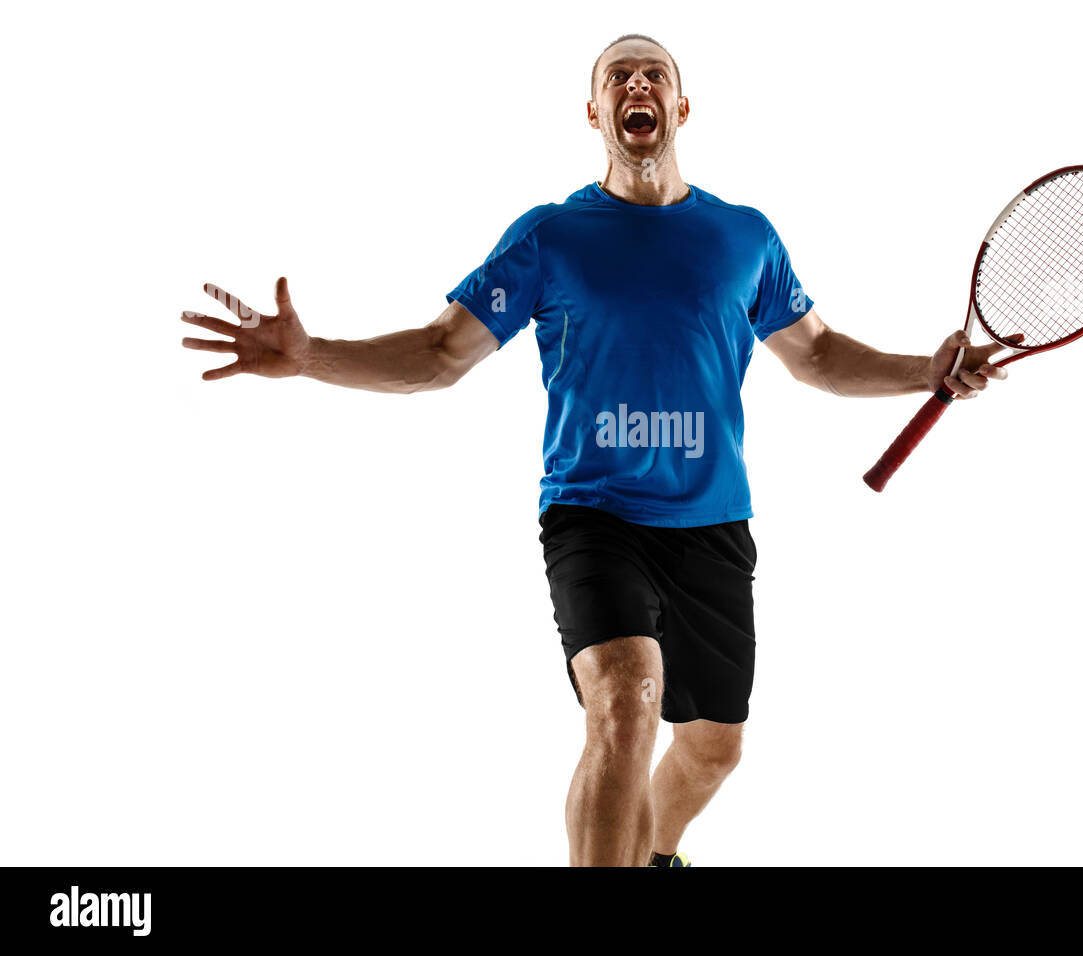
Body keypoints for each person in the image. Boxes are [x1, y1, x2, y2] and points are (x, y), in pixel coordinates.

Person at [180, 33, 1011, 867]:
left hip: (712, 522)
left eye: (655, 75)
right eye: (619, 76)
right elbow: (440, 353)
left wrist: (923, 370)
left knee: (716, 748)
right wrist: (311, 353)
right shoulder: (552, 237)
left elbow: (820, 355)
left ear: (680, 110)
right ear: (596, 113)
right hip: (594, 515)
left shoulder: (745, 237)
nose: (637, 83)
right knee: (625, 700)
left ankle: (655, 855)